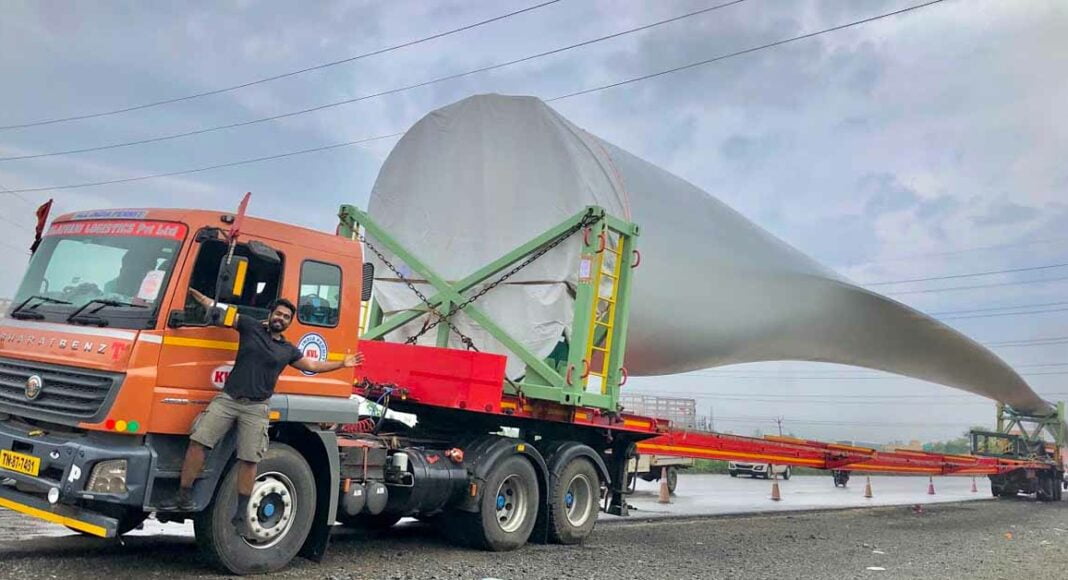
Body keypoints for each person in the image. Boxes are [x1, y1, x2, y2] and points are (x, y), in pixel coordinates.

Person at [171, 288, 363, 538]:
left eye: (286, 317)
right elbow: (217, 308)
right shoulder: (249, 327)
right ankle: (184, 494)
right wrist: (192, 292)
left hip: (257, 407)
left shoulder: (288, 350)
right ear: (271, 314)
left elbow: (312, 365)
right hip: (228, 399)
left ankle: (241, 513)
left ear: (288, 323)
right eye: (279, 314)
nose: (281, 319)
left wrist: (341, 364)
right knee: (199, 442)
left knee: (250, 459)